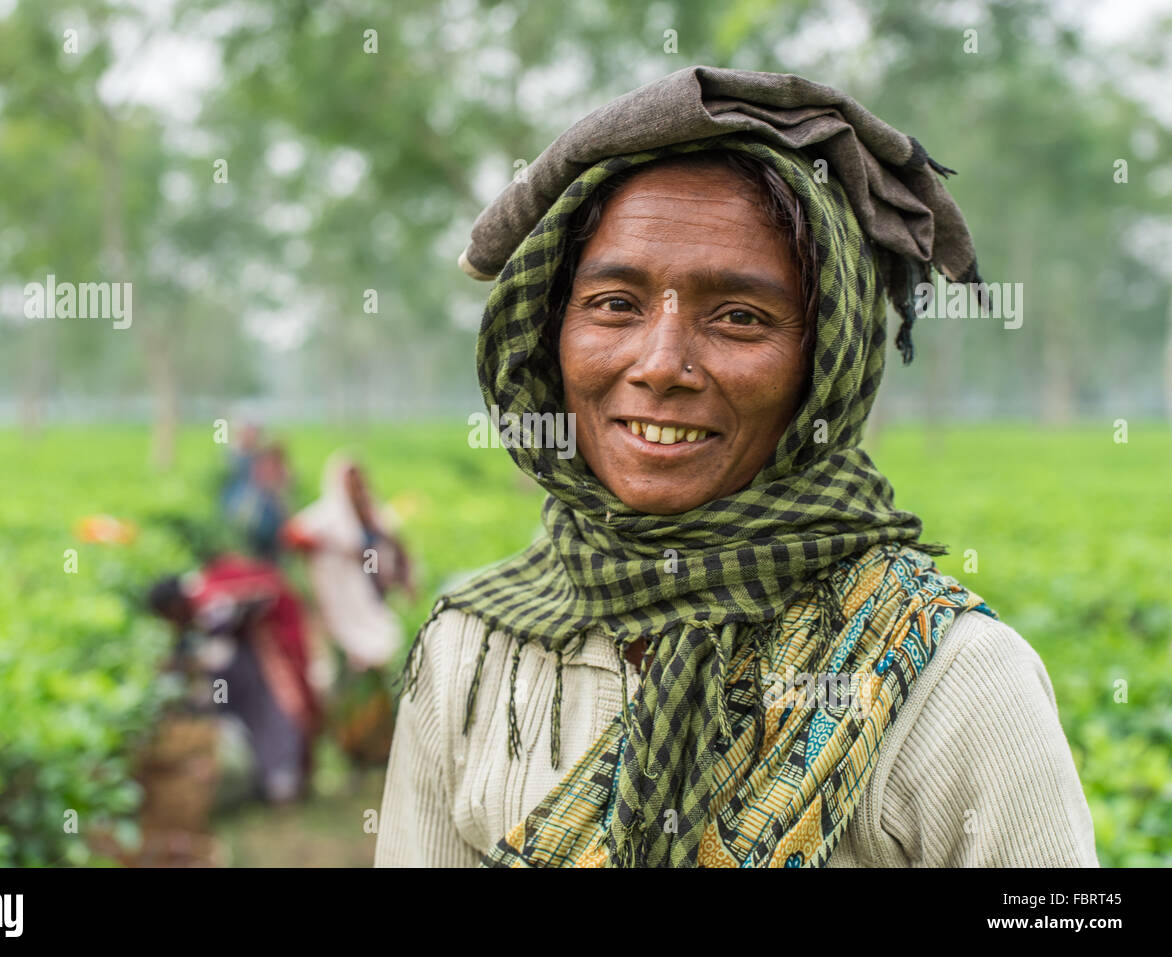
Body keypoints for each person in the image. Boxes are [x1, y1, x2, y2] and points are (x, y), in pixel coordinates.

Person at [375, 66, 1098, 867]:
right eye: (616, 303)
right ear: (551, 336)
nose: (661, 364)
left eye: (741, 317)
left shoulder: (956, 680)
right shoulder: (471, 650)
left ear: (824, 361)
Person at [148, 553, 321, 803]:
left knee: (277, 715)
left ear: (173, 607)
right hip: (248, 667)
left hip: (267, 661)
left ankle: (285, 778)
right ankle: (277, 778)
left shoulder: (210, 602)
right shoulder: (204, 599)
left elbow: (256, 604)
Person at [282, 454, 413, 766]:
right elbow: (294, 534)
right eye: (350, 480)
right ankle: (354, 744)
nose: (356, 486)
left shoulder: (374, 515)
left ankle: (379, 743)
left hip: (371, 604)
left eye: (359, 479)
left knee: (377, 669)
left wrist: (401, 579)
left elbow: (397, 547)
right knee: (348, 675)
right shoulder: (328, 518)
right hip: (342, 608)